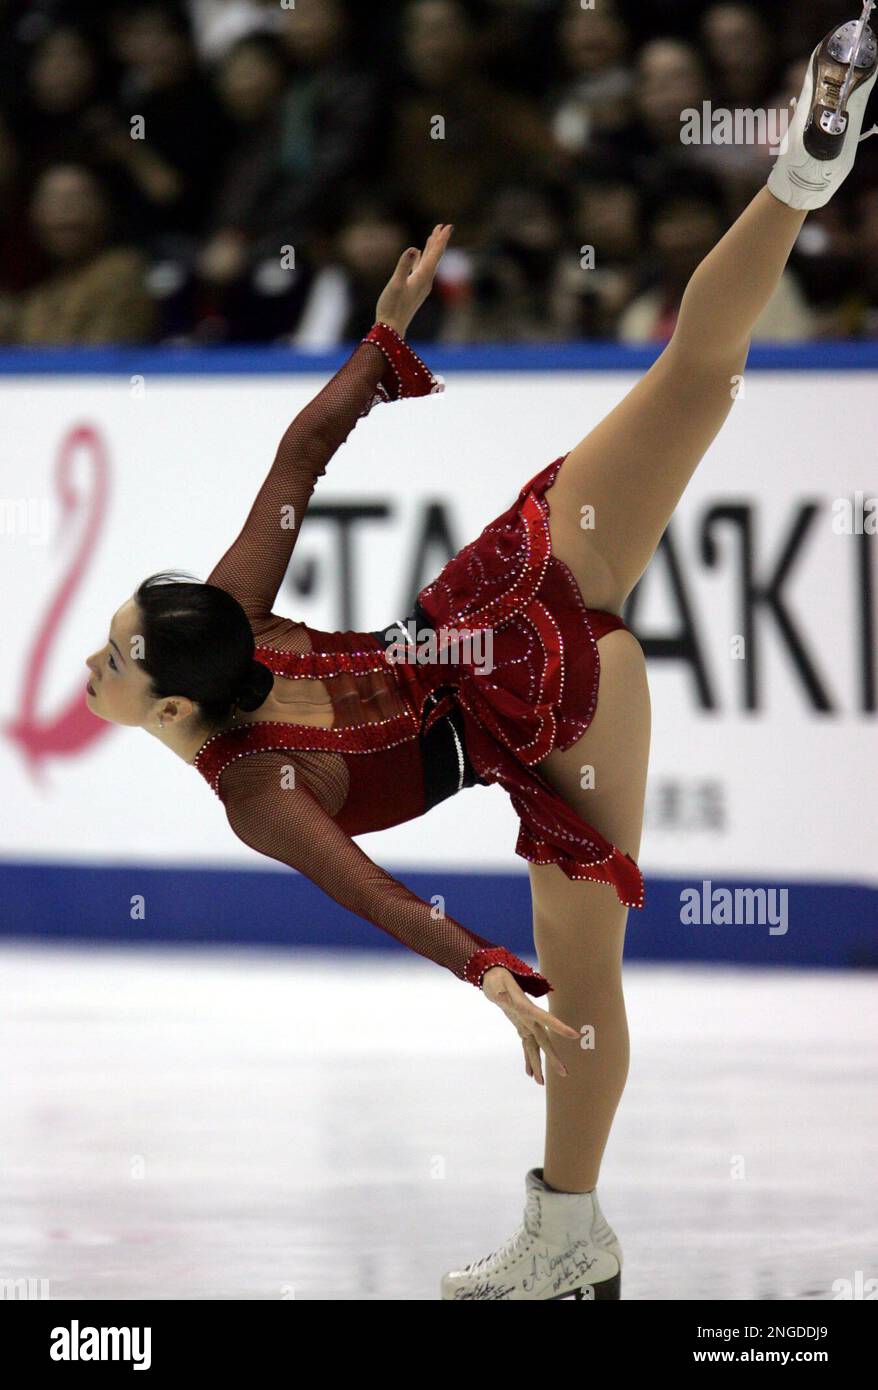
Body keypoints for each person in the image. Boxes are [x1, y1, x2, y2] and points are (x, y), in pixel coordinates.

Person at [84, 7, 878, 1299]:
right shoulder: (234, 627)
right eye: (110, 658)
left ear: (178, 695)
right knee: (698, 376)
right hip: (517, 580)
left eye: (107, 654)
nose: (91, 664)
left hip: (547, 715)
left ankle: (571, 1232)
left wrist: (494, 974)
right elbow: (299, 456)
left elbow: (375, 893)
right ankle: (798, 182)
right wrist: (379, 354)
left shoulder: (255, 786)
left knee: (581, 985)